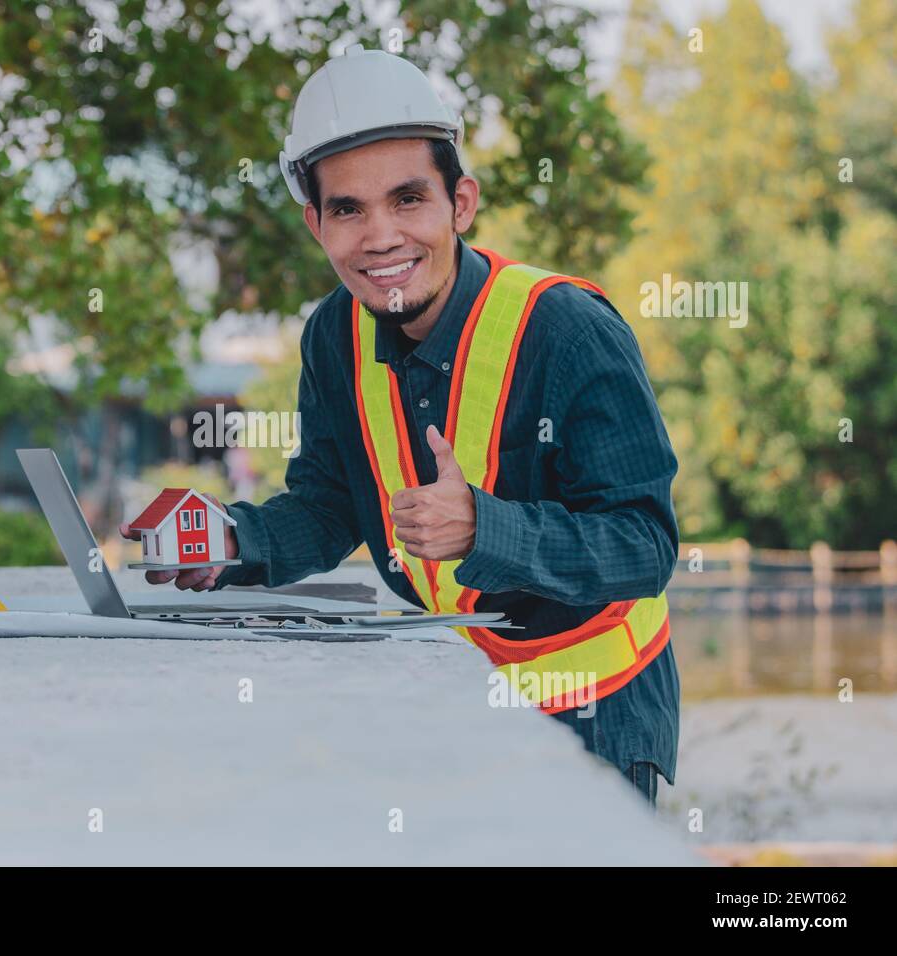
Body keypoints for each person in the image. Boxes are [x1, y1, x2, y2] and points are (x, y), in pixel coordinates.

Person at [121, 46, 679, 807]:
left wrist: (485, 527)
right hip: (452, 699)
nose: (380, 236)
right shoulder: (332, 335)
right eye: (348, 209)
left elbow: (644, 547)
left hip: (593, 715)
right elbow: (329, 507)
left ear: (461, 204)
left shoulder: (569, 330)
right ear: (316, 224)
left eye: (408, 199)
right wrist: (232, 540)